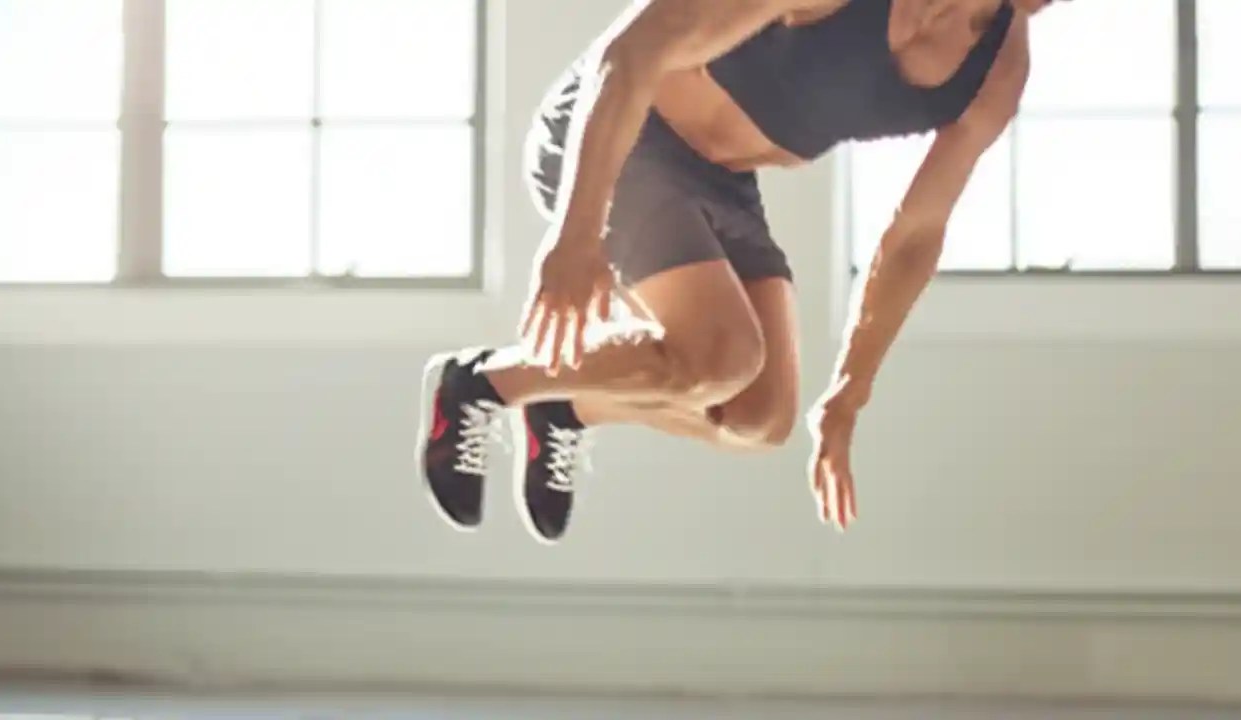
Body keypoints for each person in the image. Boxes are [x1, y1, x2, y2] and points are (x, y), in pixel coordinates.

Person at [418, 0, 1064, 543]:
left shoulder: (999, 68)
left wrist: (849, 391)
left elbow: (915, 234)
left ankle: (566, 405)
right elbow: (633, 51)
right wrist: (576, 232)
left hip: (724, 185)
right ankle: (478, 383)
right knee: (720, 356)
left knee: (759, 417)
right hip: (625, 130)